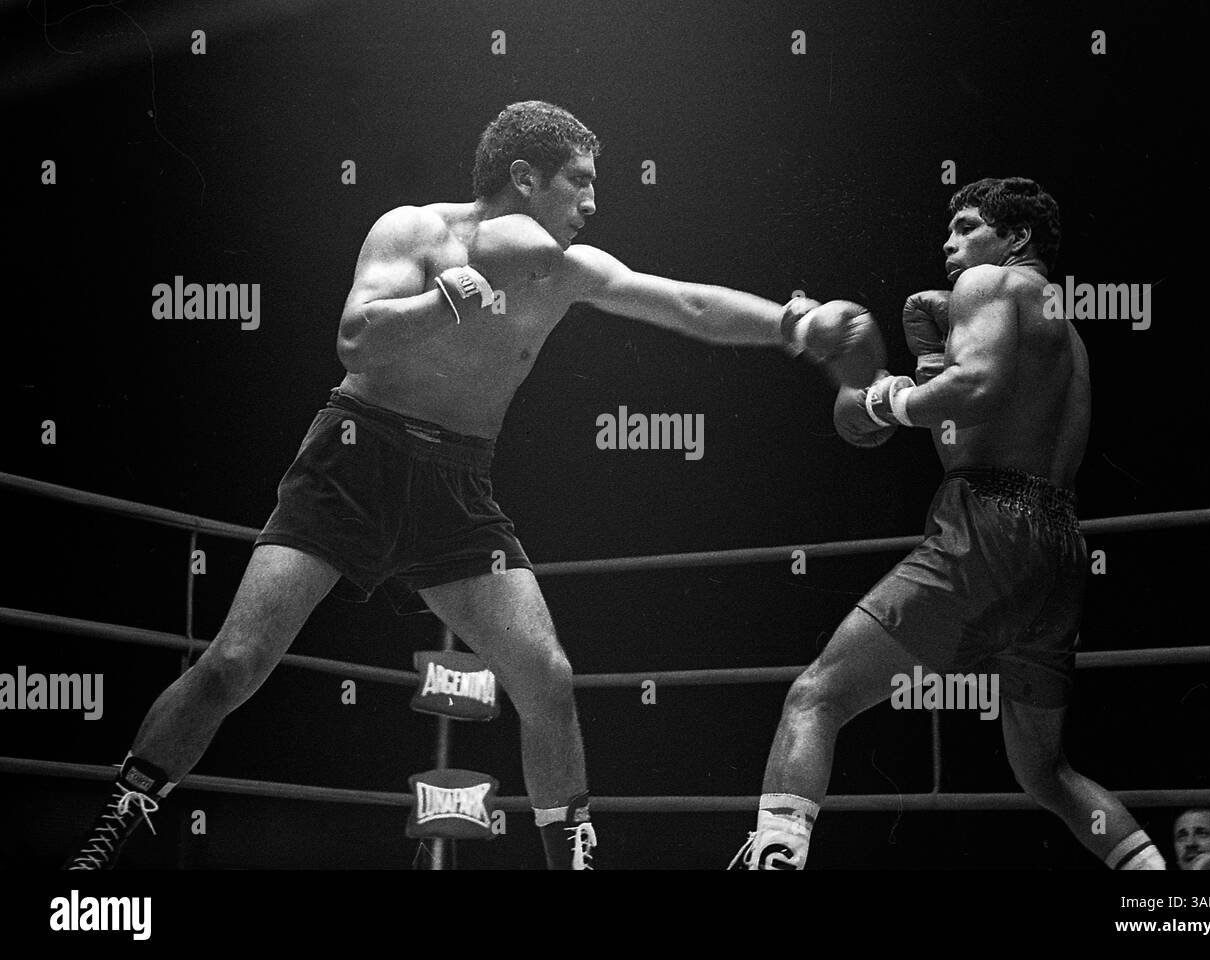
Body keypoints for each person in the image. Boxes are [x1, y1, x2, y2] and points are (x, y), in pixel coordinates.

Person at [61, 100, 878, 871]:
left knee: (546, 676)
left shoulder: (567, 271)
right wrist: (442, 303)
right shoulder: (413, 230)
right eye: (581, 180)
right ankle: (112, 830)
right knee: (235, 662)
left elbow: (686, 304)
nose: (594, 201)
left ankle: (574, 860)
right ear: (525, 176)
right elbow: (355, 342)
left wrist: (791, 325)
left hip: (457, 486)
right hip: (356, 459)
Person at [732, 177, 1167, 871]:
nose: (950, 242)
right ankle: (1170, 907)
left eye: (966, 226)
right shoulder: (1066, 330)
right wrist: (927, 367)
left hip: (987, 529)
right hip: (1059, 550)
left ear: (1014, 238)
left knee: (816, 696)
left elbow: (976, 387)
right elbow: (970, 428)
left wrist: (884, 401)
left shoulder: (989, 284)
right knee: (1047, 775)